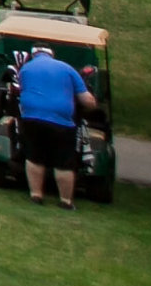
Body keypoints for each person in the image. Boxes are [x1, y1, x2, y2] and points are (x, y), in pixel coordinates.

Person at [14, 41, 92, 207]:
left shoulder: (25, 69)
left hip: (32, 118)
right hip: (61, 121)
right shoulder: (67, 69)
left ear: (34, 53)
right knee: (63, 163)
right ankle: (65, 201)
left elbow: (20, 90)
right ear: (51, 54)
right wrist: (93, 104)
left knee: (34, 158)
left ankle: (36, 195)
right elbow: (86, 99)